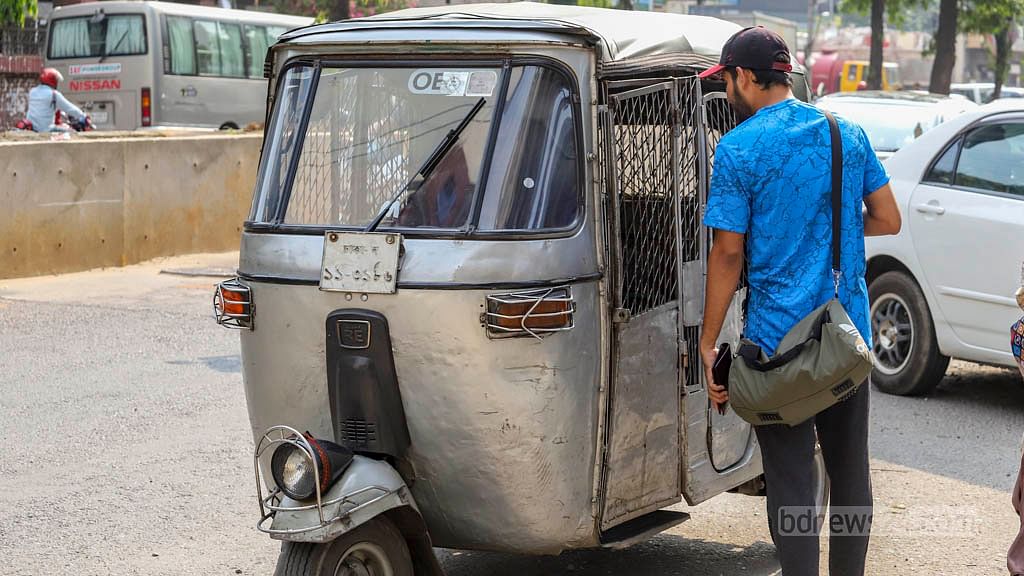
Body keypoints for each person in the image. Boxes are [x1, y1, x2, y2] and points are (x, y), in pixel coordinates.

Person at [696, 27, 902, 575]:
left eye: (726, 82)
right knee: (850, 474)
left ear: (743, 76)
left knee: (790, 482)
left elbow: (727, 254)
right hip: (844, 338)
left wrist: (708, 337)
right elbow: (888, 218)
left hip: (776, 345)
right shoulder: (846, 133)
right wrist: (830, 228)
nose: (726, 94)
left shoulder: (738, 150)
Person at [24, 68, 87, 133]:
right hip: (46, 130)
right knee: (72, 132)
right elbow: (69, 108)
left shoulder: (33, 92)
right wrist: (83, 116)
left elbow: (43, 107)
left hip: (31, 128)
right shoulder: (54, 94)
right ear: (53, 80)